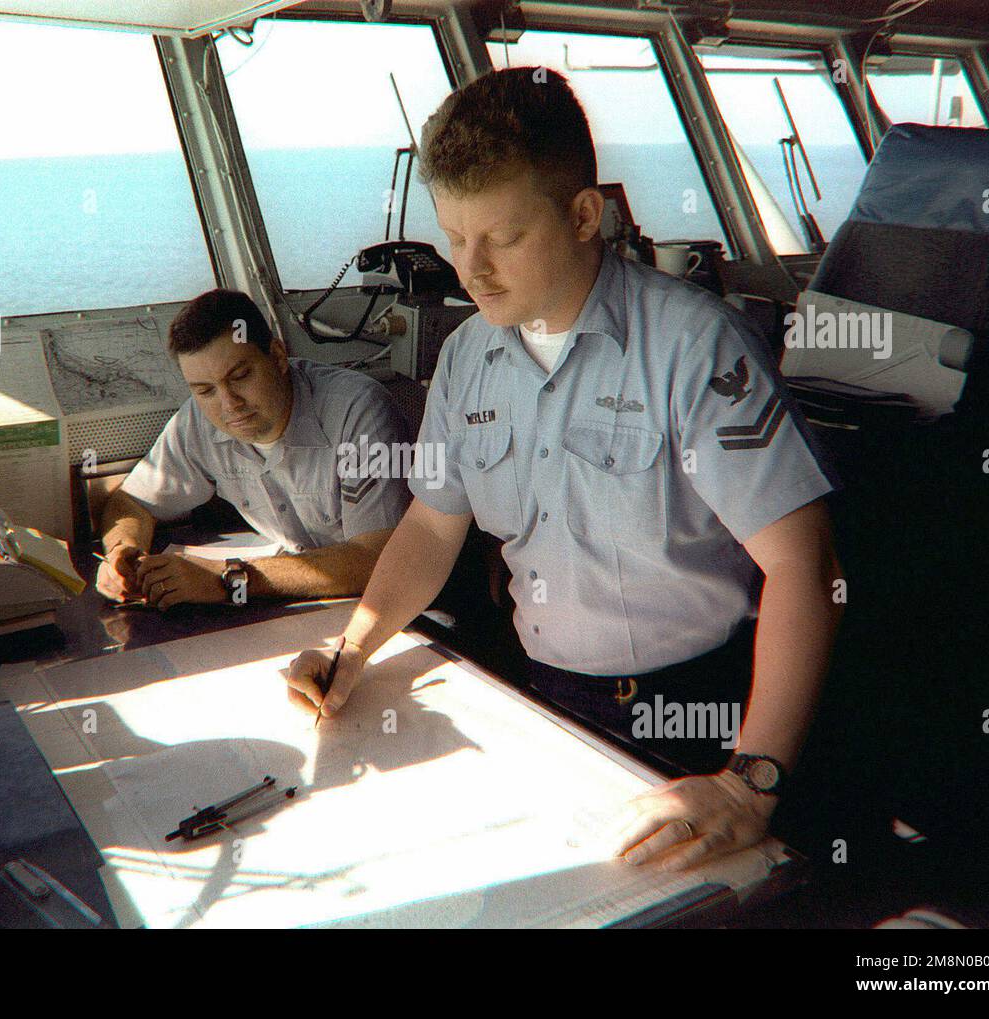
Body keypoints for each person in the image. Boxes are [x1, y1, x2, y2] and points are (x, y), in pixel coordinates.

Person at [287, 67, 844, 873]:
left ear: (584, 214)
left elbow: (808, 565)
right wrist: (353, 648)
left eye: (503, 237)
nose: (471, 269)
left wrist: (750, 781)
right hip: (546, 693)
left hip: (704, 713)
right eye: (453, 237)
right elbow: (431, 525)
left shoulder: (694, 347)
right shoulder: (468, 356)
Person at [98, 288, 411, 609]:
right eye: (205, 390)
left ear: (276, 356)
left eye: (241, 376)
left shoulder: (357, 410)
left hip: (397, 601)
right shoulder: (198, 420)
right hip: (306, 599)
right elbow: (131, 502)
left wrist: (229, 579)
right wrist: (123, 551)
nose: (229, 404)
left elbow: (378, 559)